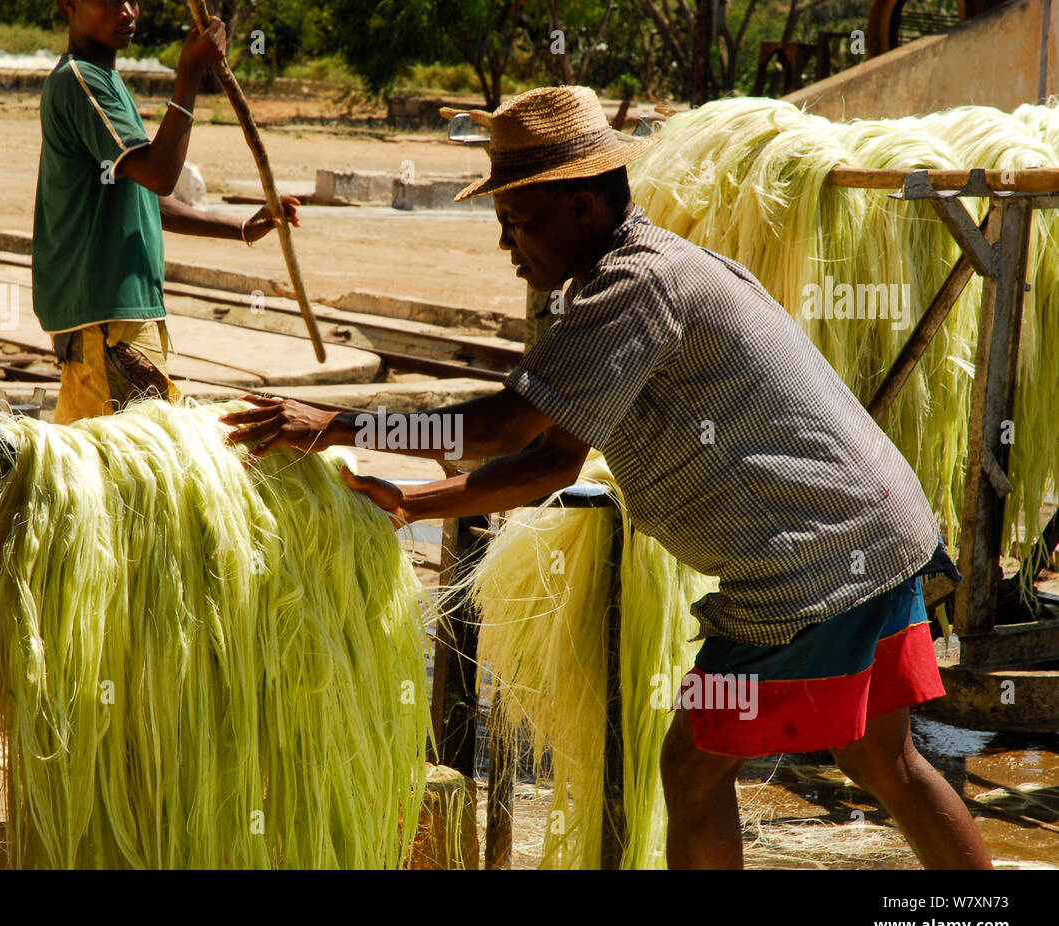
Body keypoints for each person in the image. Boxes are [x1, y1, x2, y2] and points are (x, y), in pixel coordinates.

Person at [220, 85, 993, 870]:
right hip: (879, 532)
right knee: (882, 762)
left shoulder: (633, 285)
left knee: (694, 764)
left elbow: (504, 426)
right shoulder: (655, 269)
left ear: (583, 208)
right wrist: (413, 502)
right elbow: (552, 459)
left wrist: (340, 424)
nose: (507, 247)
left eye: (519, 223)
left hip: (809, 567)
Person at [33, 0, 299, 424]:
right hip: (107, 321)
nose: (127, 11)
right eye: (109, 1)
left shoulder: (103, 79)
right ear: (68, 5)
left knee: (108, 471)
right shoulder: (80, 80)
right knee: (125, 472)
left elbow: (147, 197)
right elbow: (159, 175)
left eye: (134, 0)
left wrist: (245, 227)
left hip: (119, 320)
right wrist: (190, 74)